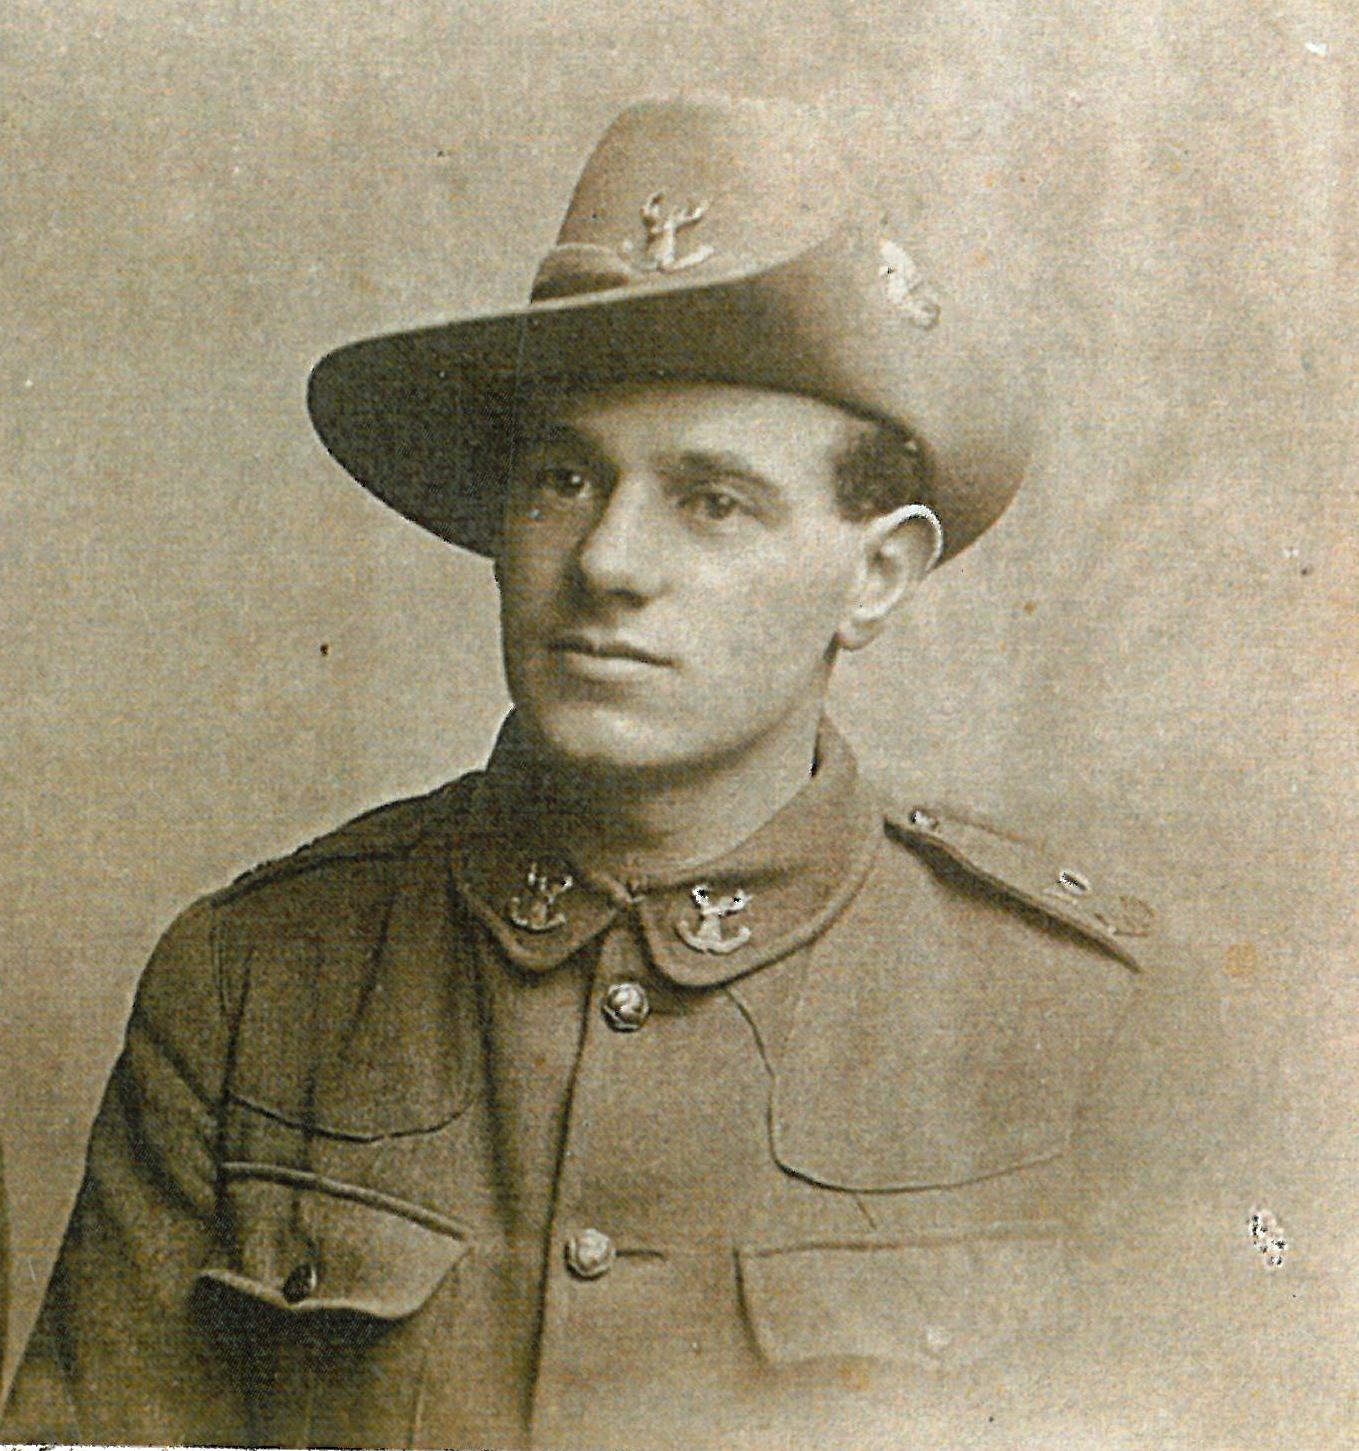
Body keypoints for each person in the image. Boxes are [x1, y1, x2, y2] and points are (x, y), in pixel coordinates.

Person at [0, 96, 1197, 1449]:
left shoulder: (1081, 1024)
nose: (611, 563)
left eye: (714, 500)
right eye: (563, 479)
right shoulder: (255, 982)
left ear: (876, 574)